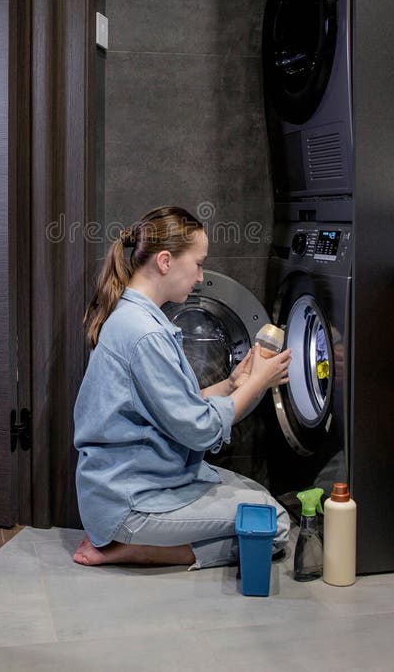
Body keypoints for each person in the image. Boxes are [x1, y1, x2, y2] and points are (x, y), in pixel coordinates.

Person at [72, 205, 292, 569]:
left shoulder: (132, 317)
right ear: (164, 262)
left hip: (120, 490)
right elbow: (198, 429)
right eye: (199, 263)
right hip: (131, 502)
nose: (201, 276)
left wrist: (232, 383)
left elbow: (172, 409)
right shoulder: (145, 334)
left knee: (256, 497)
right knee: (276, 524)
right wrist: (256, 384)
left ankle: (126, 538)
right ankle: (140, 549)